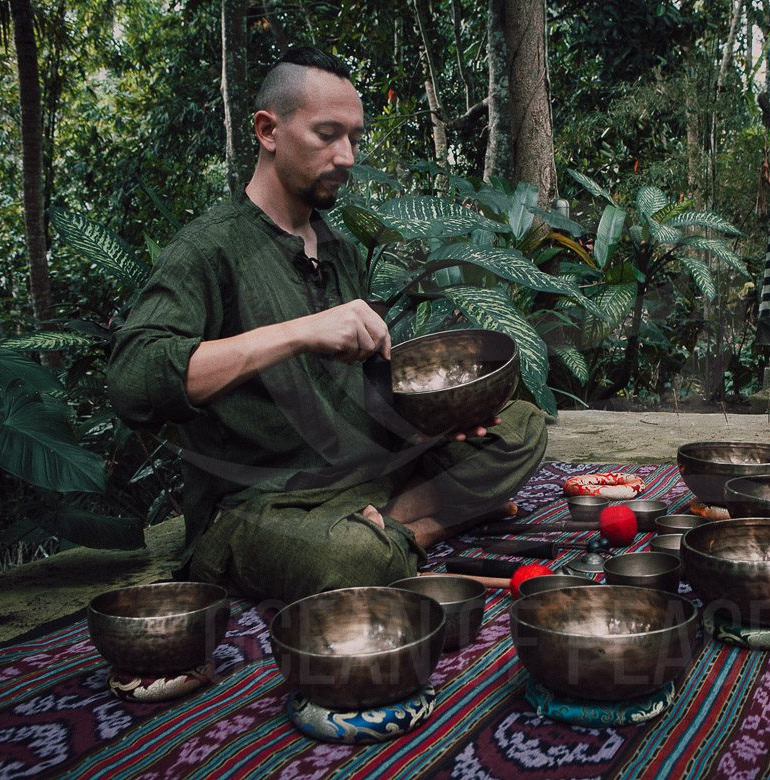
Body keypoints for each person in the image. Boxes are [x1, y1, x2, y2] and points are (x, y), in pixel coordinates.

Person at [107, 47, 547, 605]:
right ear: (268, 131)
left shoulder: (333, 245)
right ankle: (411, 532)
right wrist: (299, 330)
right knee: (349, 558)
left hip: (365, 472)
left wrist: (436, 417)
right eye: (327, 134)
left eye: (354, 138)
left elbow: (357, 384)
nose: (346, 156)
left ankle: (391, 527)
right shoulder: (207, 249)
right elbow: (132, 382)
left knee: (522, 429)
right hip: (258, 505)